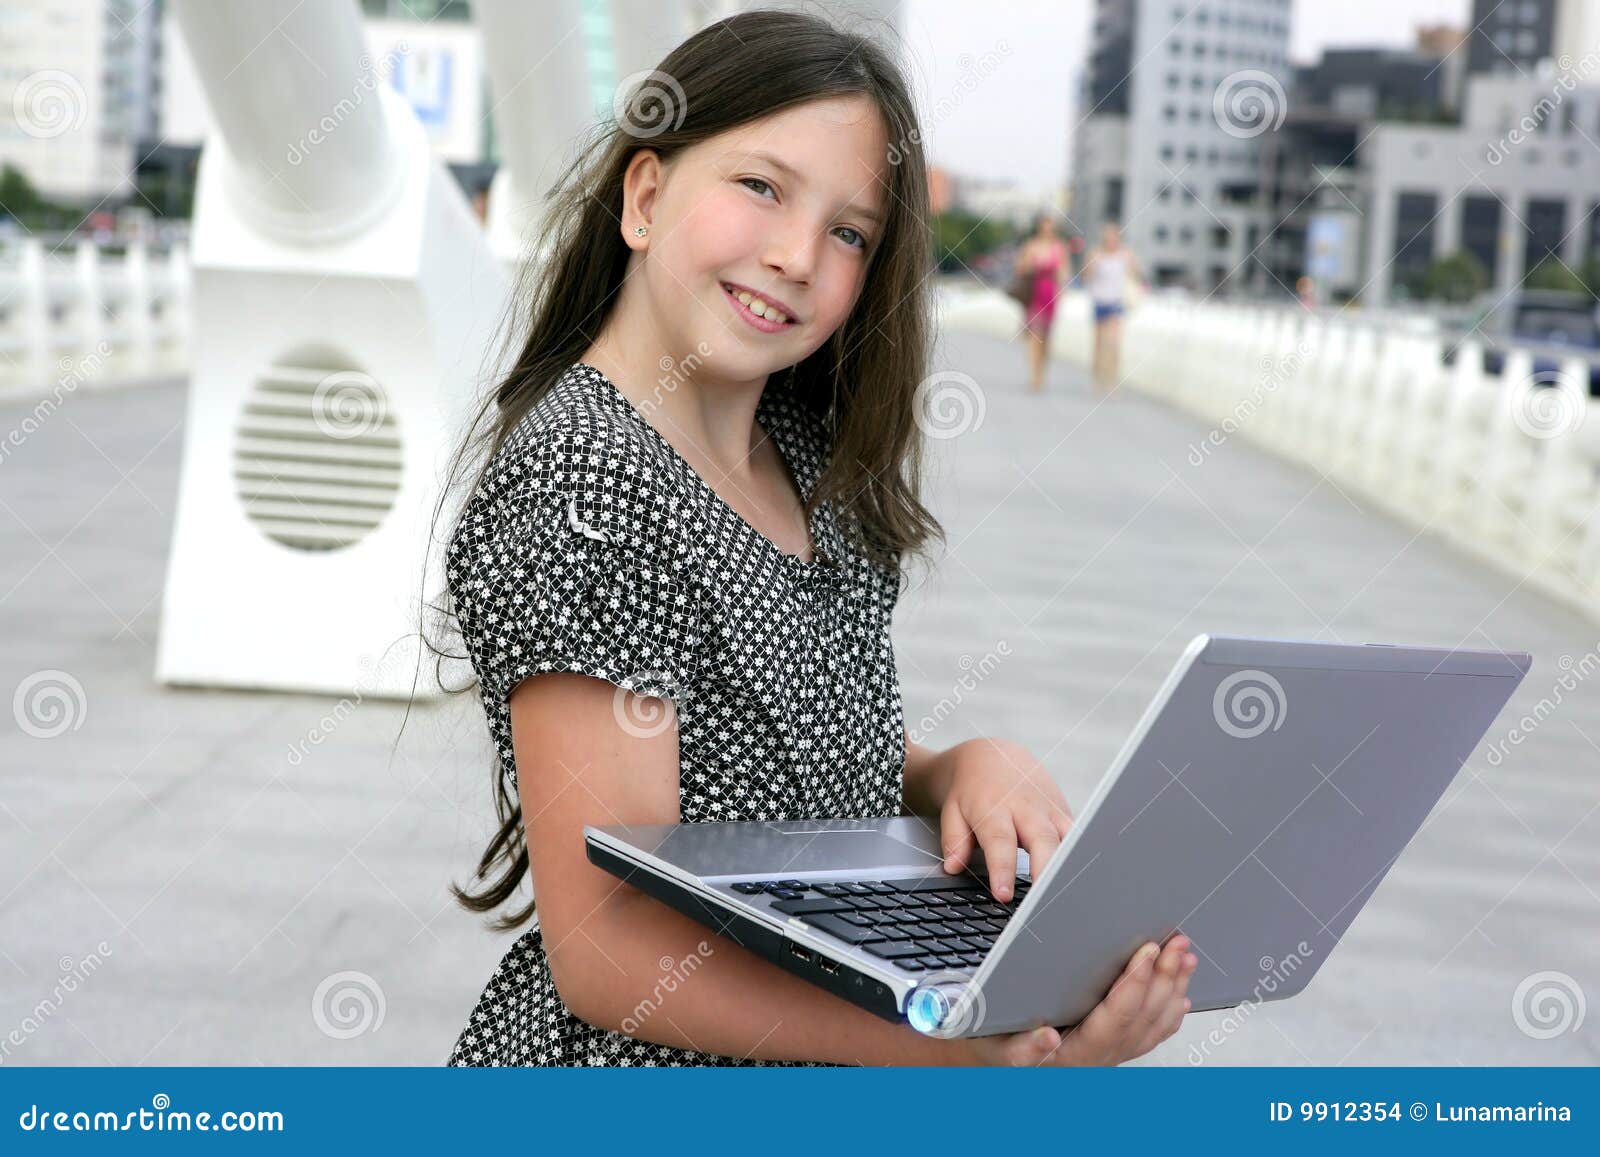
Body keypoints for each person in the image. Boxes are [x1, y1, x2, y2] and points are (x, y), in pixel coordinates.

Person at [435, 10, 1195, 1068]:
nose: (796, 255)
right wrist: (951, 1049)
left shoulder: (799, 453)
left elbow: (769, 761)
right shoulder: (587, 478)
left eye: (849, 232)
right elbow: (606, 947)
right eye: (760, 187)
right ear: (646, 196)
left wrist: (951, 771)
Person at [1082, 223, 1143, 395]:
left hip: (1117, 303)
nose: (1110, 240)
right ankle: (1097, 379)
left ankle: (1111, 380)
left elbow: (1136, 276)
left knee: (1114, 344)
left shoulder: (1126, 255)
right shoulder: (1095, 254)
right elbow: (1086, 277)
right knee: (1099, 344)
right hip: (1099, 301)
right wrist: (1091, 267)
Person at [1015, 213, 1068, 392]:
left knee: (1046, 338)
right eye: (1044, 225)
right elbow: (1020, 268)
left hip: (1050, 294)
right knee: (1034, 334)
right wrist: (1030, 265)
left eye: (1050, 226)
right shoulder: (1031, 246)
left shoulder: (1059, 247)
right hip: (1034, 293)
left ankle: (1041, 371)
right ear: (1039, 227)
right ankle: (1034, 375)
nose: (1047, 230)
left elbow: (1063, 273)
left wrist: (1062, 291)